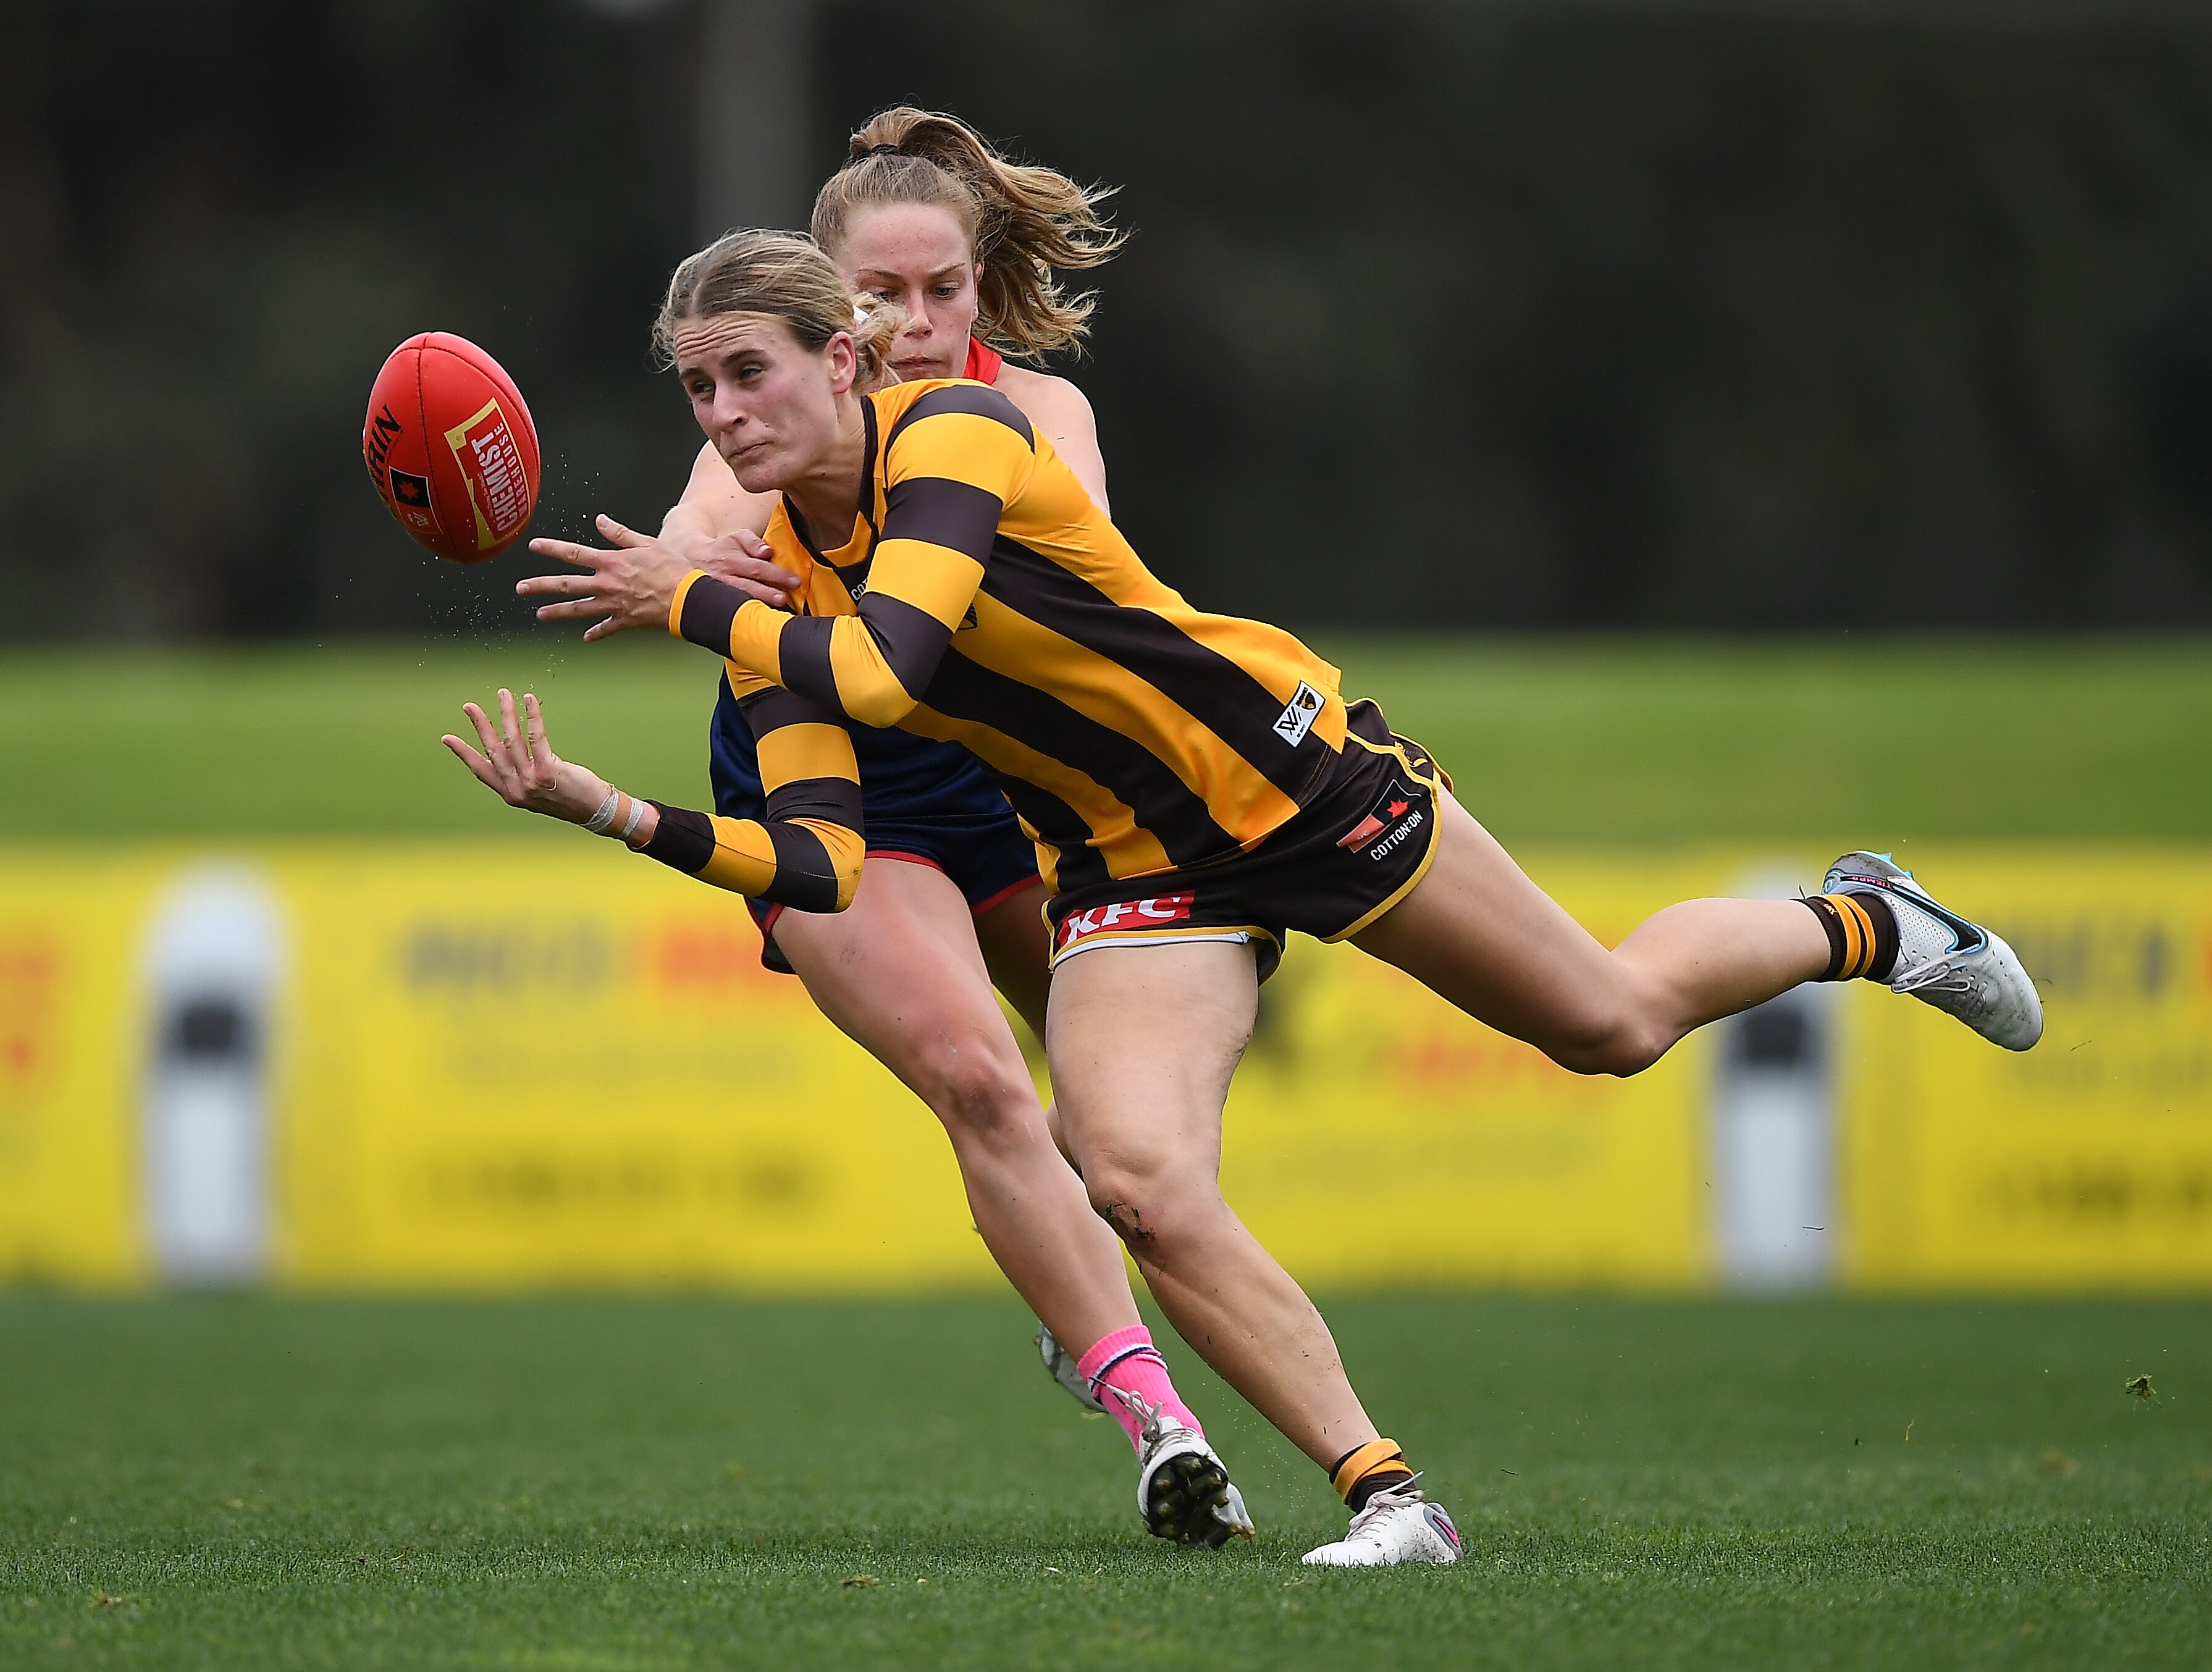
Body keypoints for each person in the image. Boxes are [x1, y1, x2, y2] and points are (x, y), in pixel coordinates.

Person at [466, 230, 2043, 1568]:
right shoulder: (776, 605)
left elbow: (893, 671)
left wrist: (689, 603)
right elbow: (813, 868)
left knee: (1610, 1021)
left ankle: (1874, 921)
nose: (727, 412)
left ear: (844, 362)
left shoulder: (949, 433)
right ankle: (1389, 1497)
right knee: (1134, 1172)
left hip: (1288, 780)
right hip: (1132, 871)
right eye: (699, 388)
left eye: (752, 371)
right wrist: (606, 806)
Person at [486, 112, 1252, 1553]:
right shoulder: (765, 420)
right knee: (978, 1079)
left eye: (940, 291)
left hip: (1022, 786)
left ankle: (1082, 1268)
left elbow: (1068, 576)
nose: (910, 320)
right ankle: (1162, 1421)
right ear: (825, 317)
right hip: (836, 784)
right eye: (877, 296)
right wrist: (698, 561)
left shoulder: (1034, 415)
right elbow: (697, 535)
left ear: (977, 290)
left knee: (1121, 1132)